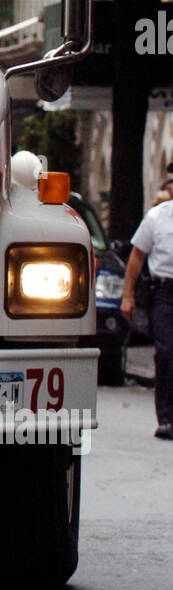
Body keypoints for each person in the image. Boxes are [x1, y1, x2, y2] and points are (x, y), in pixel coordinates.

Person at [121, 177, 173, 440]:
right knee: (165, 353)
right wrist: (127, 295)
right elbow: (137, 256)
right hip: (165, 292)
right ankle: (166, 418)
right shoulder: (156, 217)